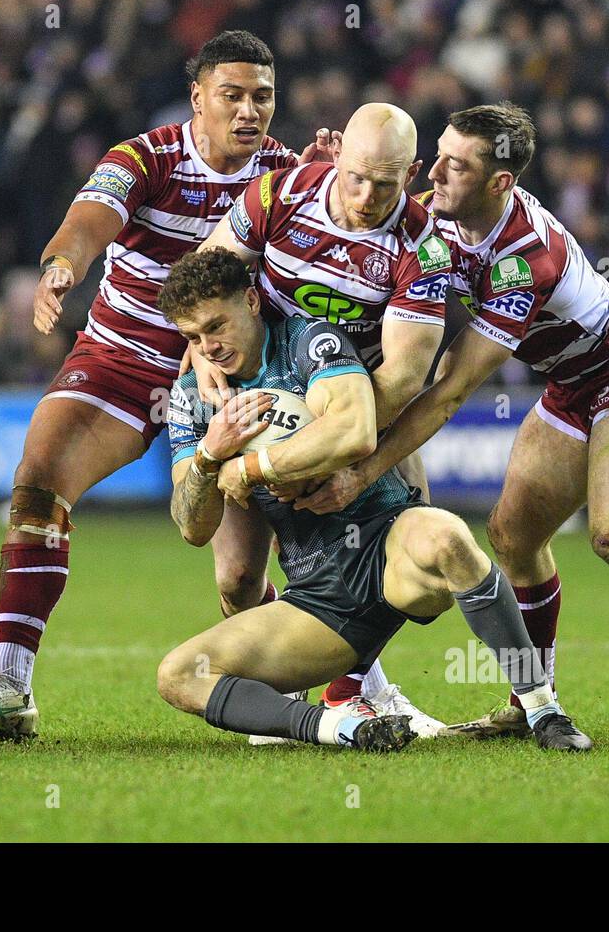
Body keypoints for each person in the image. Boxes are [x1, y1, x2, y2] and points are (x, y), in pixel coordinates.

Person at [300, 103, 609, 750]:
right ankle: (530, 700)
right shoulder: (443, 208)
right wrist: (322, 167)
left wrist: (364, 469)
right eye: (438, 155)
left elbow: (451, 389)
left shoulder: (523, 259)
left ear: (500, 183)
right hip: (573, 384)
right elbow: (357, 208)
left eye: (457, 165)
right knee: (513, 535)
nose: (436, 172)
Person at [0, 31, 345, 740]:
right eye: (232, 95)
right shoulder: (145, 156)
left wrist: (330, 187)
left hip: (230, 372)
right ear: (197, 99)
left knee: (241, 577)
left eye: (263, 97)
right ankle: (9, 685)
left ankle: (324, 698)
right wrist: (64, 264)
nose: (250, 111)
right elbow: (92, 219)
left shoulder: (285, 170)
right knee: (37, 480)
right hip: (123, 361)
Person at [155, 247, 592, 752]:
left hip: (387, 544)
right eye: (193, 337)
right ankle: (342, 727)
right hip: (317, 598)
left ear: (252, 301)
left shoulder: (308, 342)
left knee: (448, 535)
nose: (208, 347)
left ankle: (542, 708)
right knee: (180, 674)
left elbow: (354, 431)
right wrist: (211, 455)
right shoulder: (192, 397)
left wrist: (256, 466)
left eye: (217, 326)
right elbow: (192, 525)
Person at [193, 102, 453, 733]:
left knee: (402, 534)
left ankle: (353, 689)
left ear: (413, 173)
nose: (366, 195)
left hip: (359, 409)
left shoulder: (425, 249)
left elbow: (403, 377)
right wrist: (198, 357)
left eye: (386, 183)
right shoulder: (277, 195)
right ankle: (278, 706)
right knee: (235, 574)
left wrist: (330, 448)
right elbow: (208, 276)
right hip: (257, 401)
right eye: (356, 175)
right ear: (337, 155)